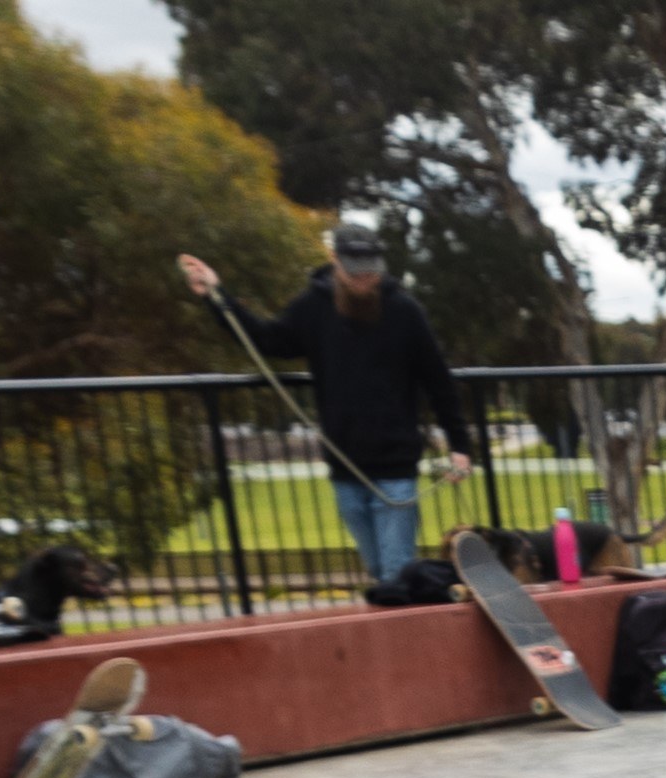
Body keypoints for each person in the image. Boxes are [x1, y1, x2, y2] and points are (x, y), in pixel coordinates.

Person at [175, 226, 475, 585]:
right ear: (335, 260)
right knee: (378, 571)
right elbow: (268, 339)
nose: (364, 278)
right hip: (344, 464)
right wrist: (216, 296)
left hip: (396, 465)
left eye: (370, 270)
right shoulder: (313, 307)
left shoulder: (405, 310)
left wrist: (460, 445)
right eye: (355, 270)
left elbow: (438, 380)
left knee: (396, 574)